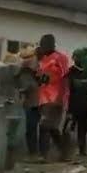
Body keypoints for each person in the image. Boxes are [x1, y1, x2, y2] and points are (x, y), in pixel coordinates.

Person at [34, 34, 70, 162]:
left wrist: (63, 97)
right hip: (43, 98)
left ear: (51, 44)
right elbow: (39, 78)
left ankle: (42, 156)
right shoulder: (42, 60)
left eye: (44, 44)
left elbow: (65, 77)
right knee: (51, 127)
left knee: (44, 125)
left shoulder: (60, 58)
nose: (42, 47)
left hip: (55, 98)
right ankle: (64, 152)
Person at [63, 56, 87, 158]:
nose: (79, 59)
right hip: (73, 106)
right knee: (67, 129)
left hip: (85, 106)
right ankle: (65, 151)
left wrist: (86, 82)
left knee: (82, 130)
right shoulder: (70, 71)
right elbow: (66, 85)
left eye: (80, 56)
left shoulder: (86, 72)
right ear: (73, 58)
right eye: (76, 57)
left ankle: (82, 150)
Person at [18, 48, 40, 157]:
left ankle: (34, 152)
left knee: (32, 129)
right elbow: (23, 88)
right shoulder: (25, 74)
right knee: (31, 129)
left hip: (34, 105)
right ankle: (33, 152)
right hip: (31, 105)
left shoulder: (33, 74)